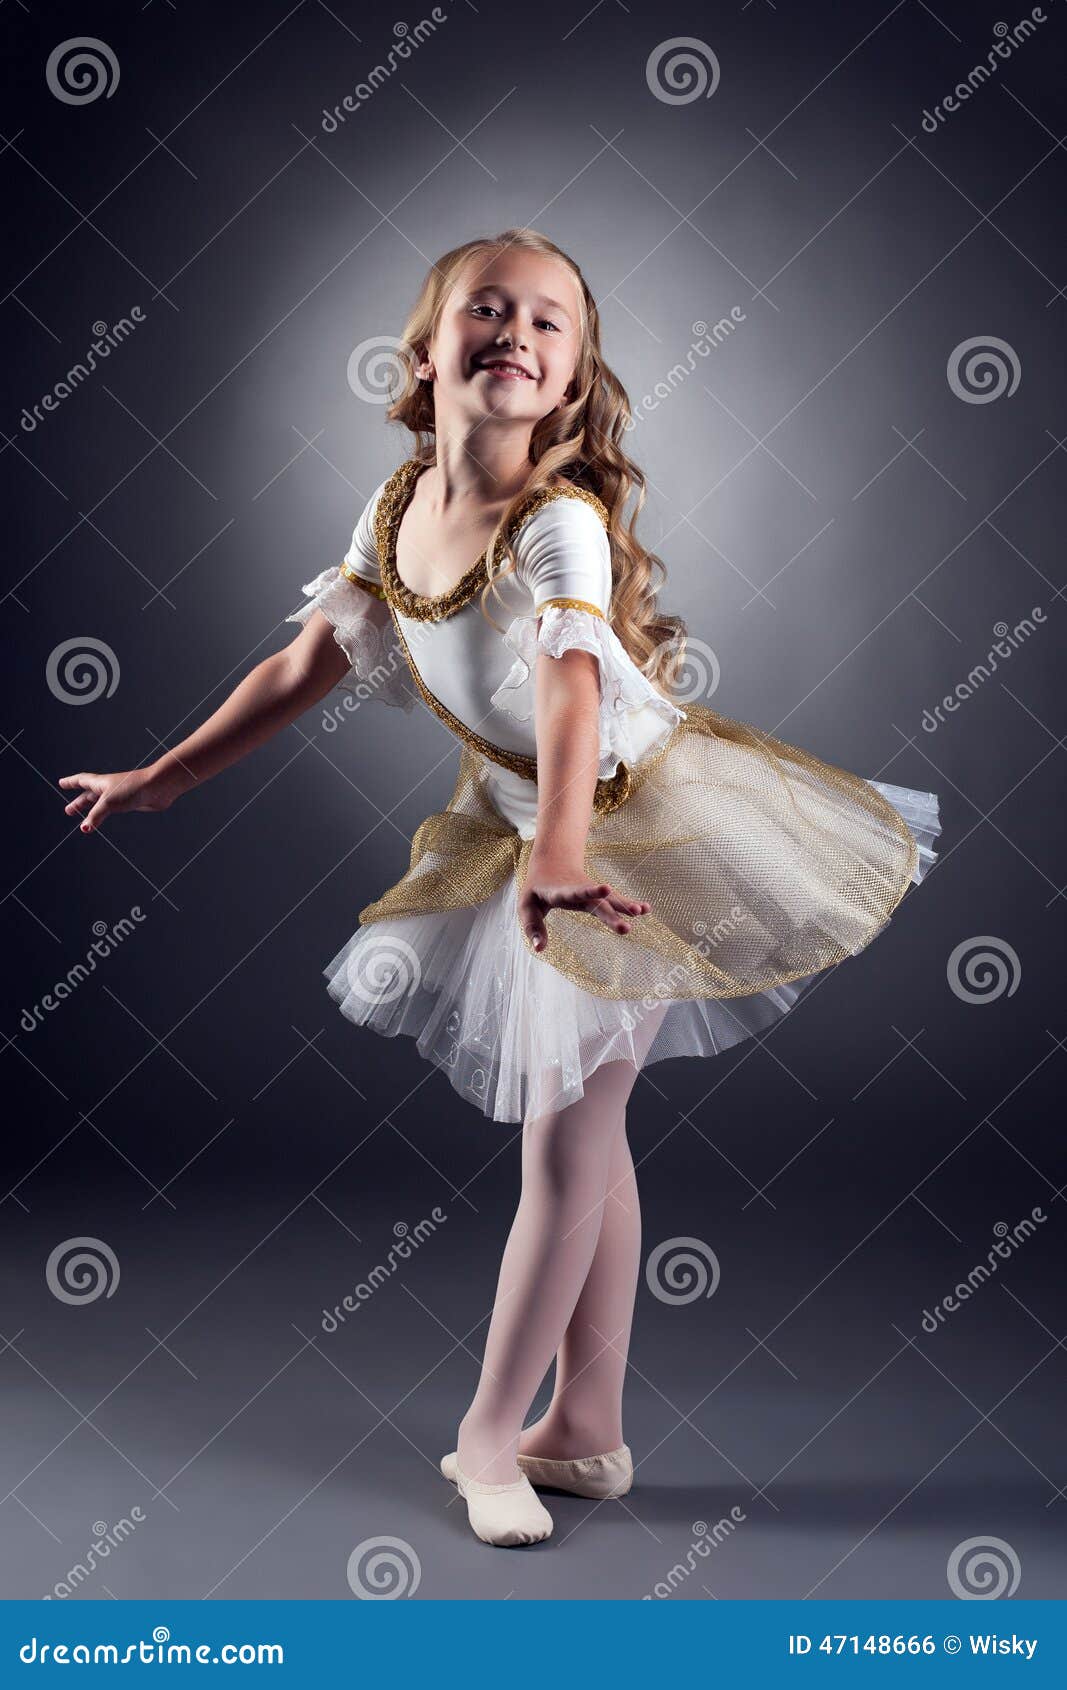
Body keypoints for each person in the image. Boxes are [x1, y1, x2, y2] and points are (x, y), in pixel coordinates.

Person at [59, 227, 942, 1550]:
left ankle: (488, 1435)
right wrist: (168, 774)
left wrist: (565, 855)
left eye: (549, 323)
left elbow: (575, 690)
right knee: (591, 1130)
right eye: (488, 309)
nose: (515, 334)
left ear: (573, 381)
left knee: (564, 1139)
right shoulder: (395, 509)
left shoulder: (560, 522)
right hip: (533, 824)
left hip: (635, 833)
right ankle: (585, 1428)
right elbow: (309, 659)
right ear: (427, 354)